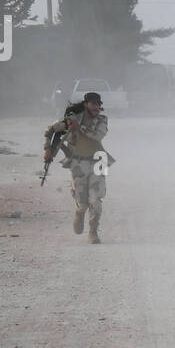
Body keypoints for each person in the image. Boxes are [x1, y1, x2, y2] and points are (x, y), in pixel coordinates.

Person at [42, 91, 110, 245]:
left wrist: (79, 128)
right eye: (93, 104)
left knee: (96, 200)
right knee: (83, 201)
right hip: (78, 162)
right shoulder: (72, 119)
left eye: (99, 104)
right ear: (86, 104)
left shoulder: (102, 120)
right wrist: (48, 149)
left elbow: (98, 135)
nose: (97, 107)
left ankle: (93, 232)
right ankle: (80, 213)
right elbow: (50, 130)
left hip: (99, 161)